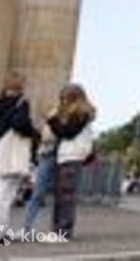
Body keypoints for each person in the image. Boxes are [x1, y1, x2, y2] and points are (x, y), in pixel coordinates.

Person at [0, 72, 39, 245]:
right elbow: (20, 124)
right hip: (8, 157)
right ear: (21, 86)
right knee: (2, 196)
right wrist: (33, 132)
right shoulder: (21, 103)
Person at [49, 84, 96, 239]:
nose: (62, 102)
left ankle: (63, 230)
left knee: (66, 195)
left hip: (72, 156)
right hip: (64, 156)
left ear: (74, 98)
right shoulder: (73, 114)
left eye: (65, 98)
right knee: (60, 195)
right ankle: (57, 230)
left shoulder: (81, 114)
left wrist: (53, 121)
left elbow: (67, 133)